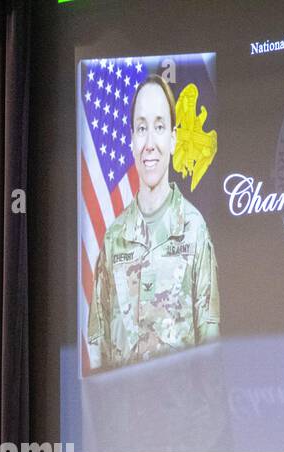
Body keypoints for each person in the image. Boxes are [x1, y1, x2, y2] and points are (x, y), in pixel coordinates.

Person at [86, 73, 219, 371]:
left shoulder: (194, 231)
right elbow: (98, 346)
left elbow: (210, 351)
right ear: (131, 139)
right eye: (141, 128)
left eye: (159, 127)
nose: (149, 143)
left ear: (173, 139)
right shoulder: (114, 239)